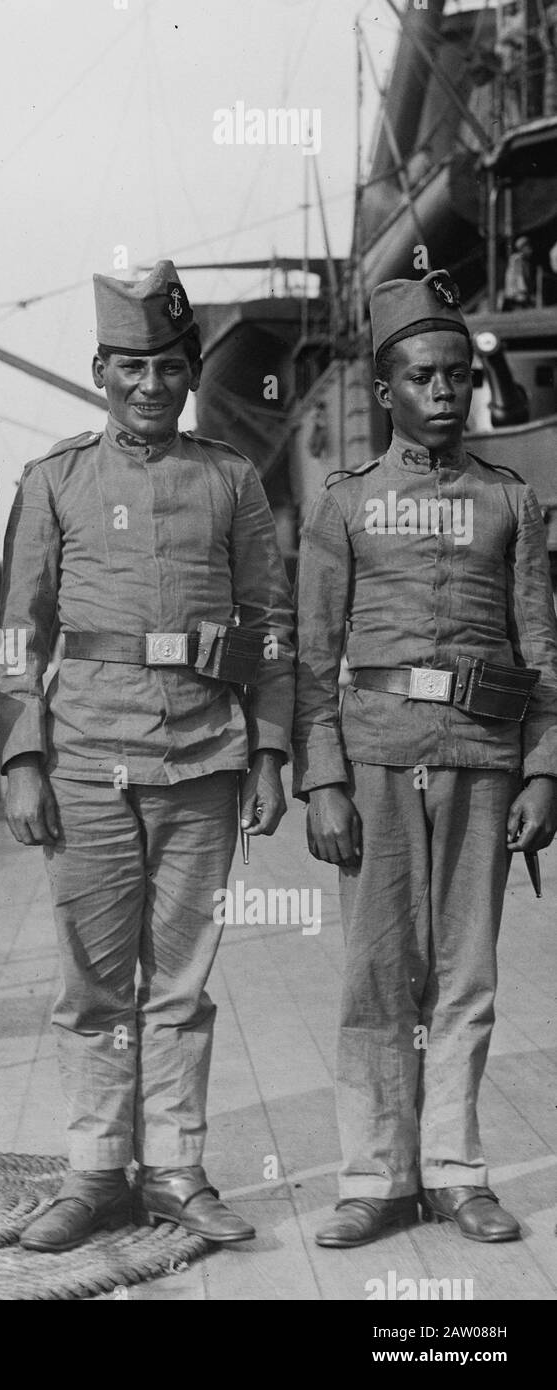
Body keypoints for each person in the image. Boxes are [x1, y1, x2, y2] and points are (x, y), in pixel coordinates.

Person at [0, 261, 295, 1252]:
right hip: (86, 754)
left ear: (191, 371)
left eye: (170, 366)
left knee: (180, 983)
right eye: (132, 366)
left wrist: (271, 750)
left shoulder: (232, 480)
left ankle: (174, 1168)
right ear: (100, 371)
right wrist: (22, 753)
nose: (152, 385)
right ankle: (94, 1172)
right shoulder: (55, 482)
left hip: (205, 755)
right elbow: (17, 633)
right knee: (91, 982)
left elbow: (270, 624)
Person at [294, 269, 557, 1248]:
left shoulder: (509, 505)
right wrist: (322, 781)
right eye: (422, 378)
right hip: (377, 760)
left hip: (483, 762)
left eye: (456, 376)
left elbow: (544, 653)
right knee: (377, 976)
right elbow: (314, 659)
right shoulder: (347, 507)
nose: (444, 393)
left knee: (467, 974)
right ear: (386, 388)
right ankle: (375, 1176)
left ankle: (454, 1170)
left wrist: (544, 769)